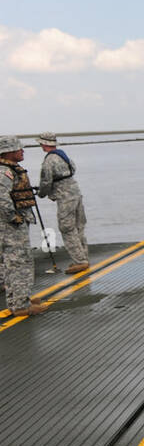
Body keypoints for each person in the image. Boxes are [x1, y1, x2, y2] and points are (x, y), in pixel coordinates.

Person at [0, 135, 48, 316]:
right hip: (10, 227)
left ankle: (18, 300)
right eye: (18, 148)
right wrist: (13, 217)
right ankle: (21, 306)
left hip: (13, 224)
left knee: (12, 263)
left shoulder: (9, 169)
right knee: (19, 262)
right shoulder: (4, 172)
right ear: (8, 151)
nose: (22, 151)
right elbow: (2, 198)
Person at [36, 132, 89, 275]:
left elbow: (46, 181)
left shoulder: (49, 160)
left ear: (44, 144)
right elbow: (73, 170)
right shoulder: (64, 156)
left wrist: (41, 193)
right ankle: (83, 256)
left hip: (64, 197)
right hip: (75, 192)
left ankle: (80, 261)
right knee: (79, 226)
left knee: (66, 228)